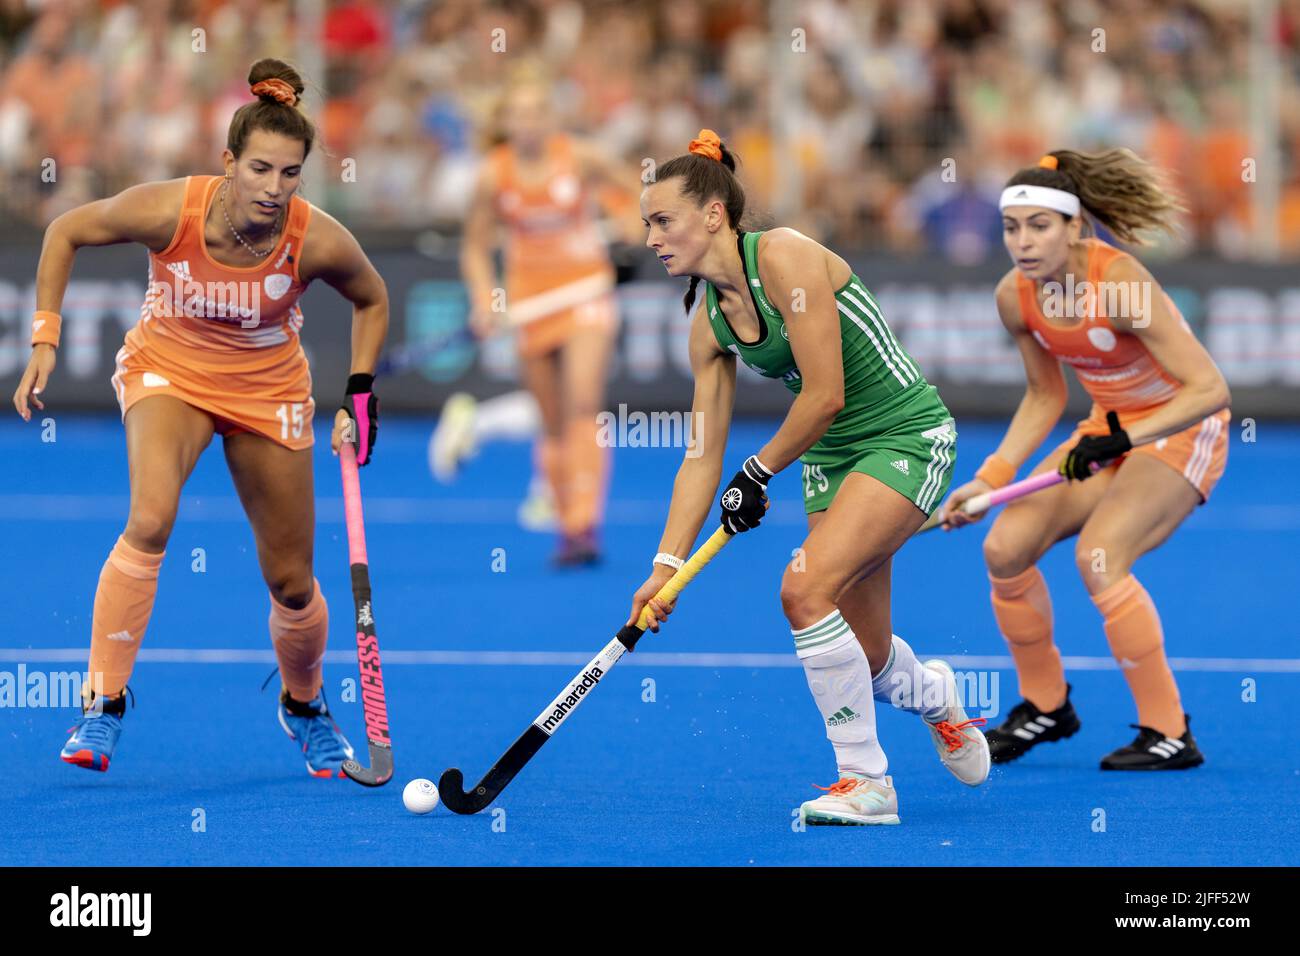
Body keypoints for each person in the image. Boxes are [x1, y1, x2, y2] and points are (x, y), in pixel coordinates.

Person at [11, 59, 389, 777]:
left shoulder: (316, 237)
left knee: (292, 583)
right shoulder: (171, 210)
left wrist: (360, 393)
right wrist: (45, 337)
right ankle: (104, 701)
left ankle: (303, 703)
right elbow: (64, 229)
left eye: (289, 174)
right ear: (229, 163)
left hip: (269, 390)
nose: (274, 189)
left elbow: (372, 297)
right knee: (150, 519)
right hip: (170, 372)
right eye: (259, 170)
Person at [625, 130, 989, 827]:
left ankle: (866, 782)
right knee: (872, 656)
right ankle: (939, 699)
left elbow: (825, 395)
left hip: (905, 435)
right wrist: (666, 565)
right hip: (832, 459)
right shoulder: (707, 323)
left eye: (662, 220)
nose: (651, 238)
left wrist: (758, 472)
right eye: (647, 224)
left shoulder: (785, 257)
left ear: (711, 215)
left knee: (802, 589)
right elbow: (701, 453)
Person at [939, 150, 1231, 770]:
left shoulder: (1119, 284)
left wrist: (1124, 441)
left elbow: (1210, 389)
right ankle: (1046, 706)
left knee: (1099, 559)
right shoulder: (1015, 297)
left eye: (1039, 226)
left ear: (1074, 228)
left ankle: (1170, 731)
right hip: (1109, 430)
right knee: (1003, 549)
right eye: (1012, 228)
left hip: (1183, 429)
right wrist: (988, 481)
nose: (1022, 242)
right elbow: (1045, 396)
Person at [459, 76, 640, 565]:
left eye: (538, 111)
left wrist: (628, 221)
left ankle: (585, 523)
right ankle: (566, 525)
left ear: (551, 117)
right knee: (552, 421)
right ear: (507, 122)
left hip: (585, 294)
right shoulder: (494, 176)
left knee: (583, 405)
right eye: (520, 113)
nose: (530, 122)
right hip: (530, 305)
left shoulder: (581, 158)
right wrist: (484, 299)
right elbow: (476, 247)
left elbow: (637, 196)